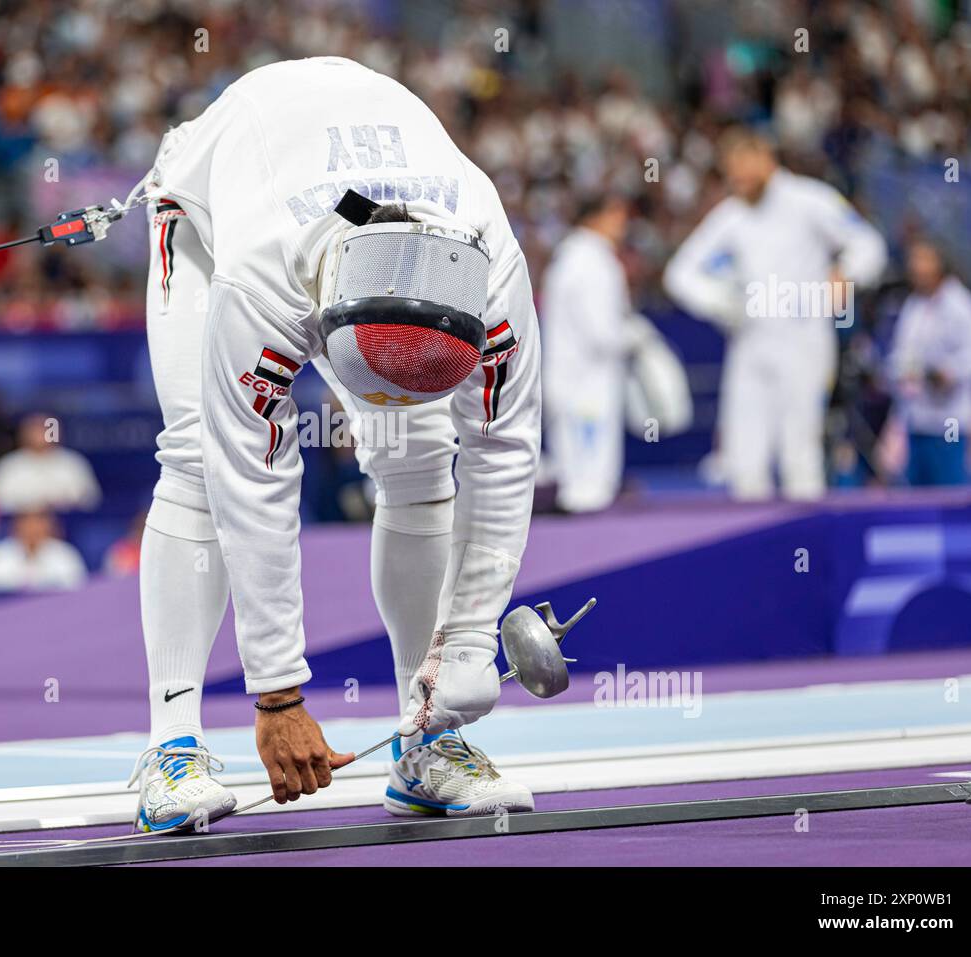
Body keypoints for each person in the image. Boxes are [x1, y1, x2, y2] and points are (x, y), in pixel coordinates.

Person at [126, 57, 541, 832]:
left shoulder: (493, 272)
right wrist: (278, 694)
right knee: (191, 460)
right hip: (210, 208)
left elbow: (502, 450)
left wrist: (474, 636)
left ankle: (428, 741)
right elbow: (250, 472)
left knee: (420, 462)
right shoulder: (260, 282)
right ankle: (170, 744)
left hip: (363, 170)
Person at [663, 128, 888, 500]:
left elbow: (868, 244)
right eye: (734, 177)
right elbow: (680, 274)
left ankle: (807, 548)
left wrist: (844, 276)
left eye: (747, 175)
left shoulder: (811, 200)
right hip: (750, 343)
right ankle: (754, 548)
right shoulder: (731, 215)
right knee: (743, 456)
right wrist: (722, 302)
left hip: (803, 339)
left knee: (799, 450)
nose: (741, 184)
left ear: (767, 161)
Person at [540, 195, 633, 512]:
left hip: (569, 377)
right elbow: (603, 334)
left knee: (576, 475)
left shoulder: (569, 258)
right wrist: (636, 337)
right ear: (595, 217)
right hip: (587, 382)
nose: (623, 224)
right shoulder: (593, 263)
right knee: (589, 486)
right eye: (616, 215)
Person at [887, 240, 971, 485]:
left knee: (949, 486)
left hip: (950, 420)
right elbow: (899, 355)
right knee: (915, 494)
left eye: (924, 260)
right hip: (916, 419)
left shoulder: (960, 304)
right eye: (913, 261)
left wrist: (951, 373)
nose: (917, 267)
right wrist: (901, 372)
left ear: (940, 264)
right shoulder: (913, 305)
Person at [0, 413, 102, 514]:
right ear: (23, 433)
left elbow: (90, 500)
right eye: (36, 429)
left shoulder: (73, 463)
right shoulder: (7, 465)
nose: (41, 434)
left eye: (47, 428)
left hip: (68, 528)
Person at [0, 509, 89, 591]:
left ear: (48, 526)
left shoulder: (65, 554)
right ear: (16, 525)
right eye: (26, 521)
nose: (32, 527)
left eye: (38, 521)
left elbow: (76, 589)